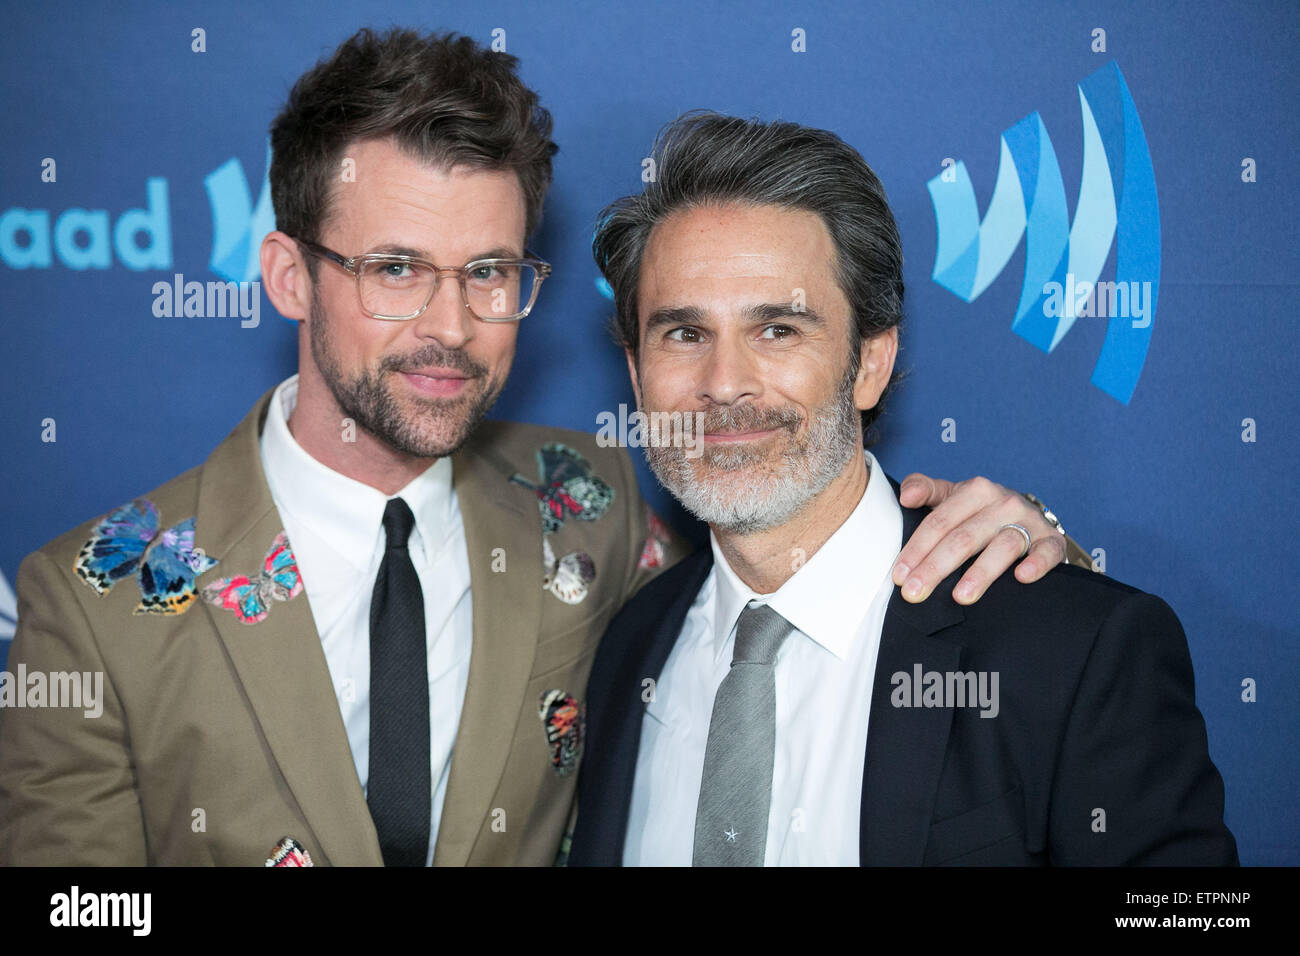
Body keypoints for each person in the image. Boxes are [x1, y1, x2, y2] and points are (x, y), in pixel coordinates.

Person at [0, 30, 1083, 867]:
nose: (450, 326)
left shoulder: (599, 500)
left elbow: (798, 550)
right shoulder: (96, 599)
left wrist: (1038, 553)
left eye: (489, 271)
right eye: (393, 268)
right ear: (290, 275)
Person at [567, 112, 1237, 866]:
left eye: (779, 330)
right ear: (635, 373)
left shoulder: (1072, 651)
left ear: (871, 363)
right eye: (683, 334)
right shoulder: (627, 648)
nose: (724, 385)